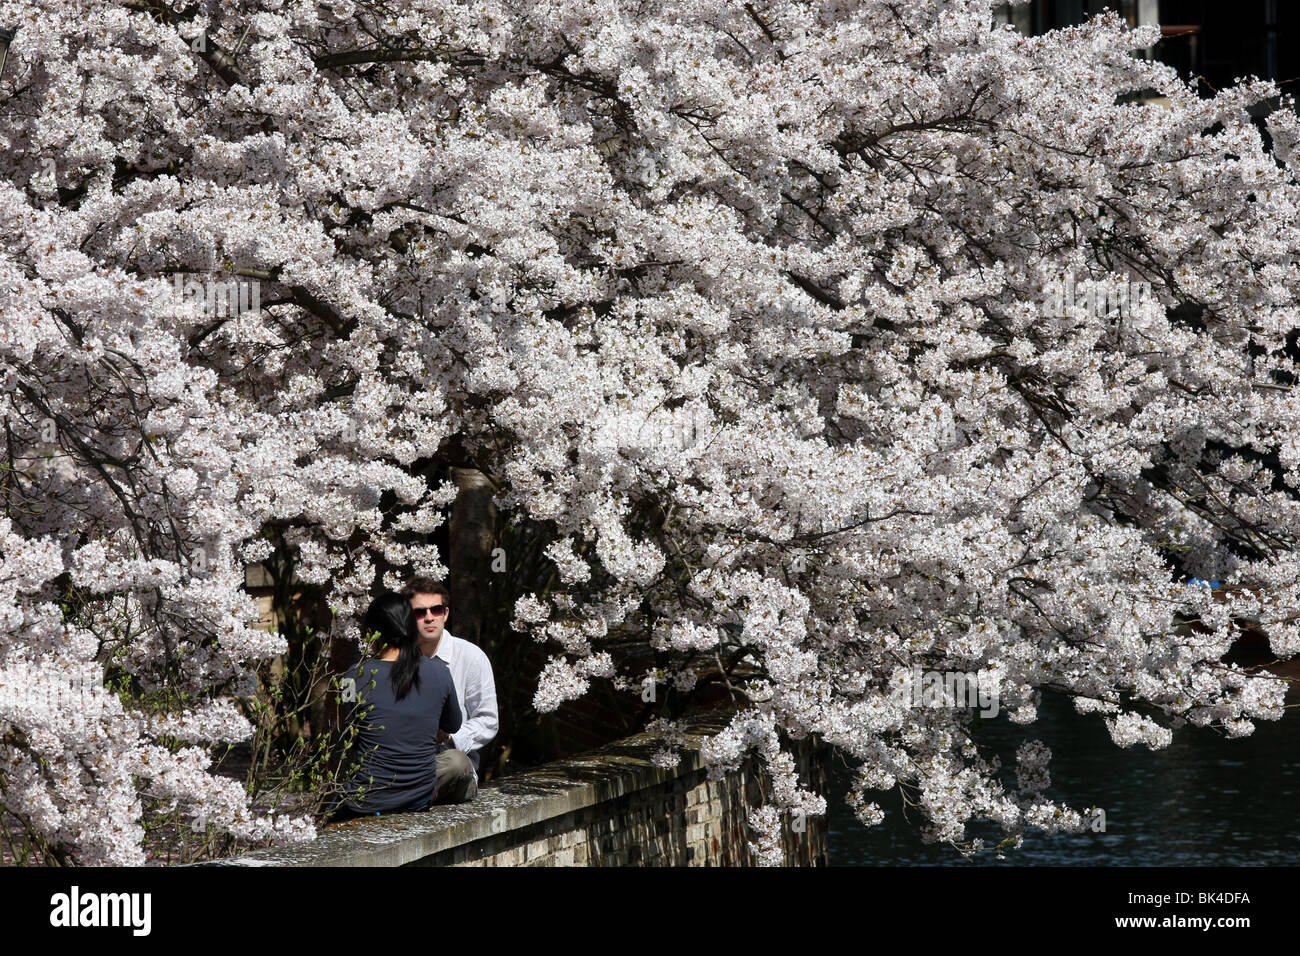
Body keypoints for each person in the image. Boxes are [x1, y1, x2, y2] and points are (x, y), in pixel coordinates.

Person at [331, 592, 462, 819]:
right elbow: (453, 724)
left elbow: (347, 737)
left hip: (368, 799)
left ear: (372, 634)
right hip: (420, 796)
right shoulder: (440, 672)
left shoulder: (353, 677)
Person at [402, 576, 498, 803]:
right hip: (405, 760)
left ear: (445, 614)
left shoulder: (471, 657)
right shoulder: (396, 658)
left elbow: (488, 720)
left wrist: (449, 737)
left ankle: (398, 795)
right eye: (419, 612)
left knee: (456, 762)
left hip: (449, 766)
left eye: (436, 610)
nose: (429, 618)